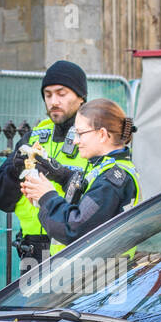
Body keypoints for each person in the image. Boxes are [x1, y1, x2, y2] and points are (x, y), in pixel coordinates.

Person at [0, 60, 90, 269]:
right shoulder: (33, 138)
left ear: (81, 97)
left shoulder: (93, 138)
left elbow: (102, 198)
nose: (54, 101)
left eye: (62, 94)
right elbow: (1, 200)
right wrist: (14, 172)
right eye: (48, 94)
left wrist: (62, 175)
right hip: (32, 252)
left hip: (76, 250)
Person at [20, 97, 140, 247]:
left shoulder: (112, 180)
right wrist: (45, 199)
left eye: (80, 133)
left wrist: (47, 197)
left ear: (102, 134)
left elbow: (74, 229)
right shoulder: (104, 168)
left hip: (98, 269)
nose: (75, 141)